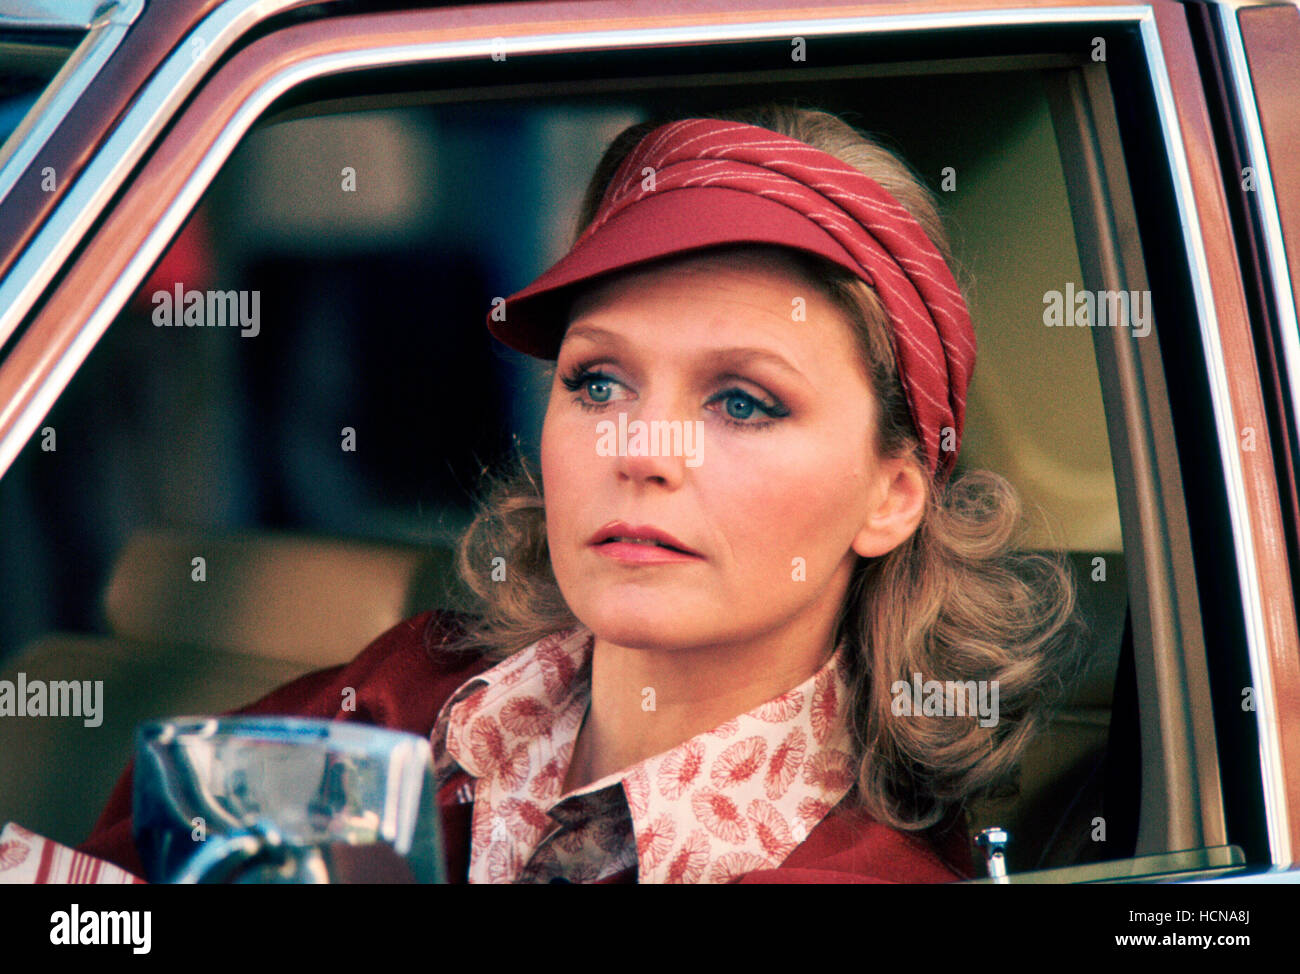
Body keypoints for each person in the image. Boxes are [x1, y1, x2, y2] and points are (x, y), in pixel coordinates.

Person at [79, 103, 1083, 884]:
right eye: (598, 381)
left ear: (891, 495)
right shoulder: (411, 697)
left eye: (743, 400)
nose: (639, 447)